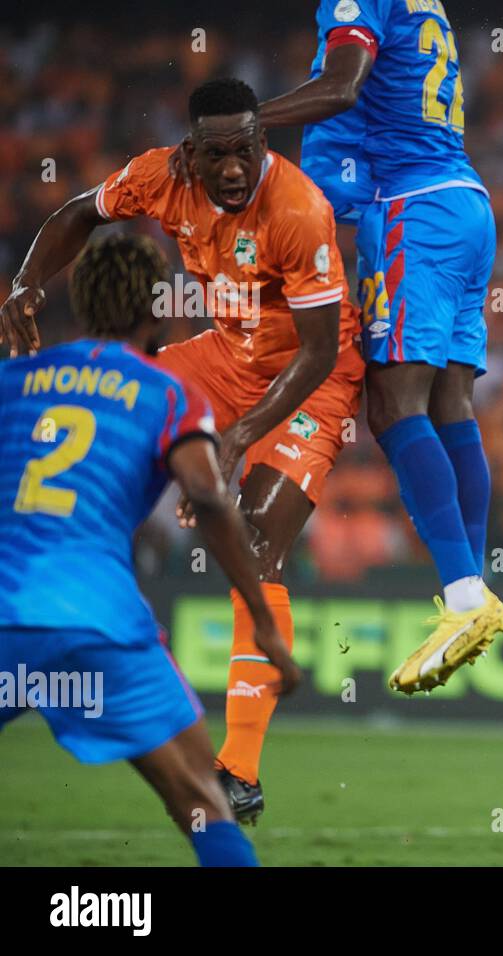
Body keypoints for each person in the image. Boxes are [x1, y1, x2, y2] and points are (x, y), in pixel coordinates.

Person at [1, 77, 361, 821]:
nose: (232, 168)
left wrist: (239, 437)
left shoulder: (298, 210)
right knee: (90, 407)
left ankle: (240, 770)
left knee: (256, 543)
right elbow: (78, 213)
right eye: (216, 154)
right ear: (189, 153)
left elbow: (321, 351)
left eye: (245, 151)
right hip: (223, 356)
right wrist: (27, 284)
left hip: (308, 377)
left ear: (263, 142)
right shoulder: (160, 177)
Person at [0, 233, 300, 865]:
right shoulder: (166, 392)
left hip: (6, 616)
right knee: (203, 802)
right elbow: (209, 497)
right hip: (98, 621)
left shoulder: (13, 382)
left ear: (81, 301)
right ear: (157, 310)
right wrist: (264, 622)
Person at [243, 0, 503, 695]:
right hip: (463, 201)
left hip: (411, 210)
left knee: (393, 406)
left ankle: (464, 596)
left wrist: (244, 121)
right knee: (450, 405)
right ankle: (470, 593)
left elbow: (341, 87)